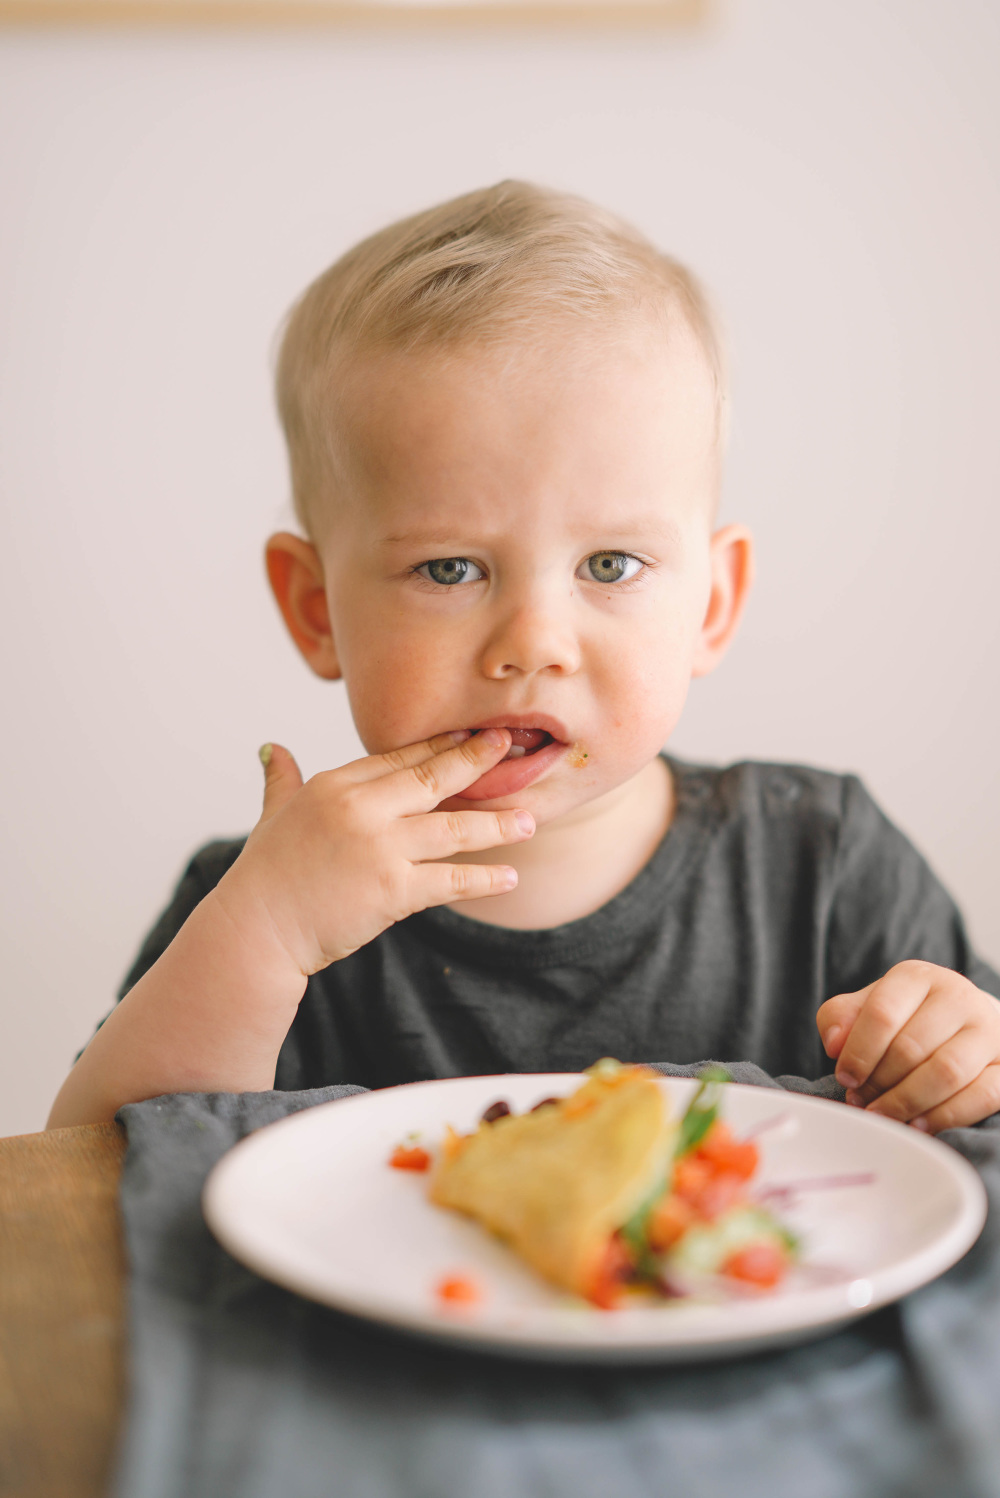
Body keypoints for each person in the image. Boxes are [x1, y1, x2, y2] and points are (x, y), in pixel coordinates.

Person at [48, 181, 1000, 1134]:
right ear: (316, 610)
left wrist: (967, 1056)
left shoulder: (826, 867)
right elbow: (89, 1180)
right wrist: (266, 935)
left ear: (712, 602)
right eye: (450, 567)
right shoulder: (267, 905)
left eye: (611, 564)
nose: (534, 643)